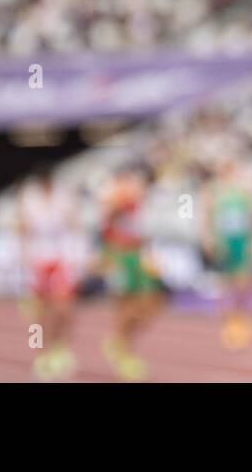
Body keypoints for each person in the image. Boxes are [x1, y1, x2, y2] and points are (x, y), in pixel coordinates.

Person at [99, 163, 163, 381]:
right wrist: (124, 199)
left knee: (150, 303)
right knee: (124, 305)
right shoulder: (114, 194)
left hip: (139, 253)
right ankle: (125, 352)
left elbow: (144, 225)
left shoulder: (143, 196)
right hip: (120, 254)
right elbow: (108, 220)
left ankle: (118, 342)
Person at [18, 161, 78, 380]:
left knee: (64, 309)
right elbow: (23, 227)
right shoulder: (29, 196)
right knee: (41, 313)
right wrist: (24, 260)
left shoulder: (63, 194)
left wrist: (76, 255)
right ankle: (42, 354)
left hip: (60, 258)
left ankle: (59, 346)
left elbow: (74, 222)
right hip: (38, 260)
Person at [204, 156, 252, 350]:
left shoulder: (242, 189)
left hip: (241, 240)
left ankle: (241, 319)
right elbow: (207, 215)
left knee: (245, 281)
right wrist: (209, 237)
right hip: (224, 240)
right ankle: (228, 324)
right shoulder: (214, 190)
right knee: (227, 283)